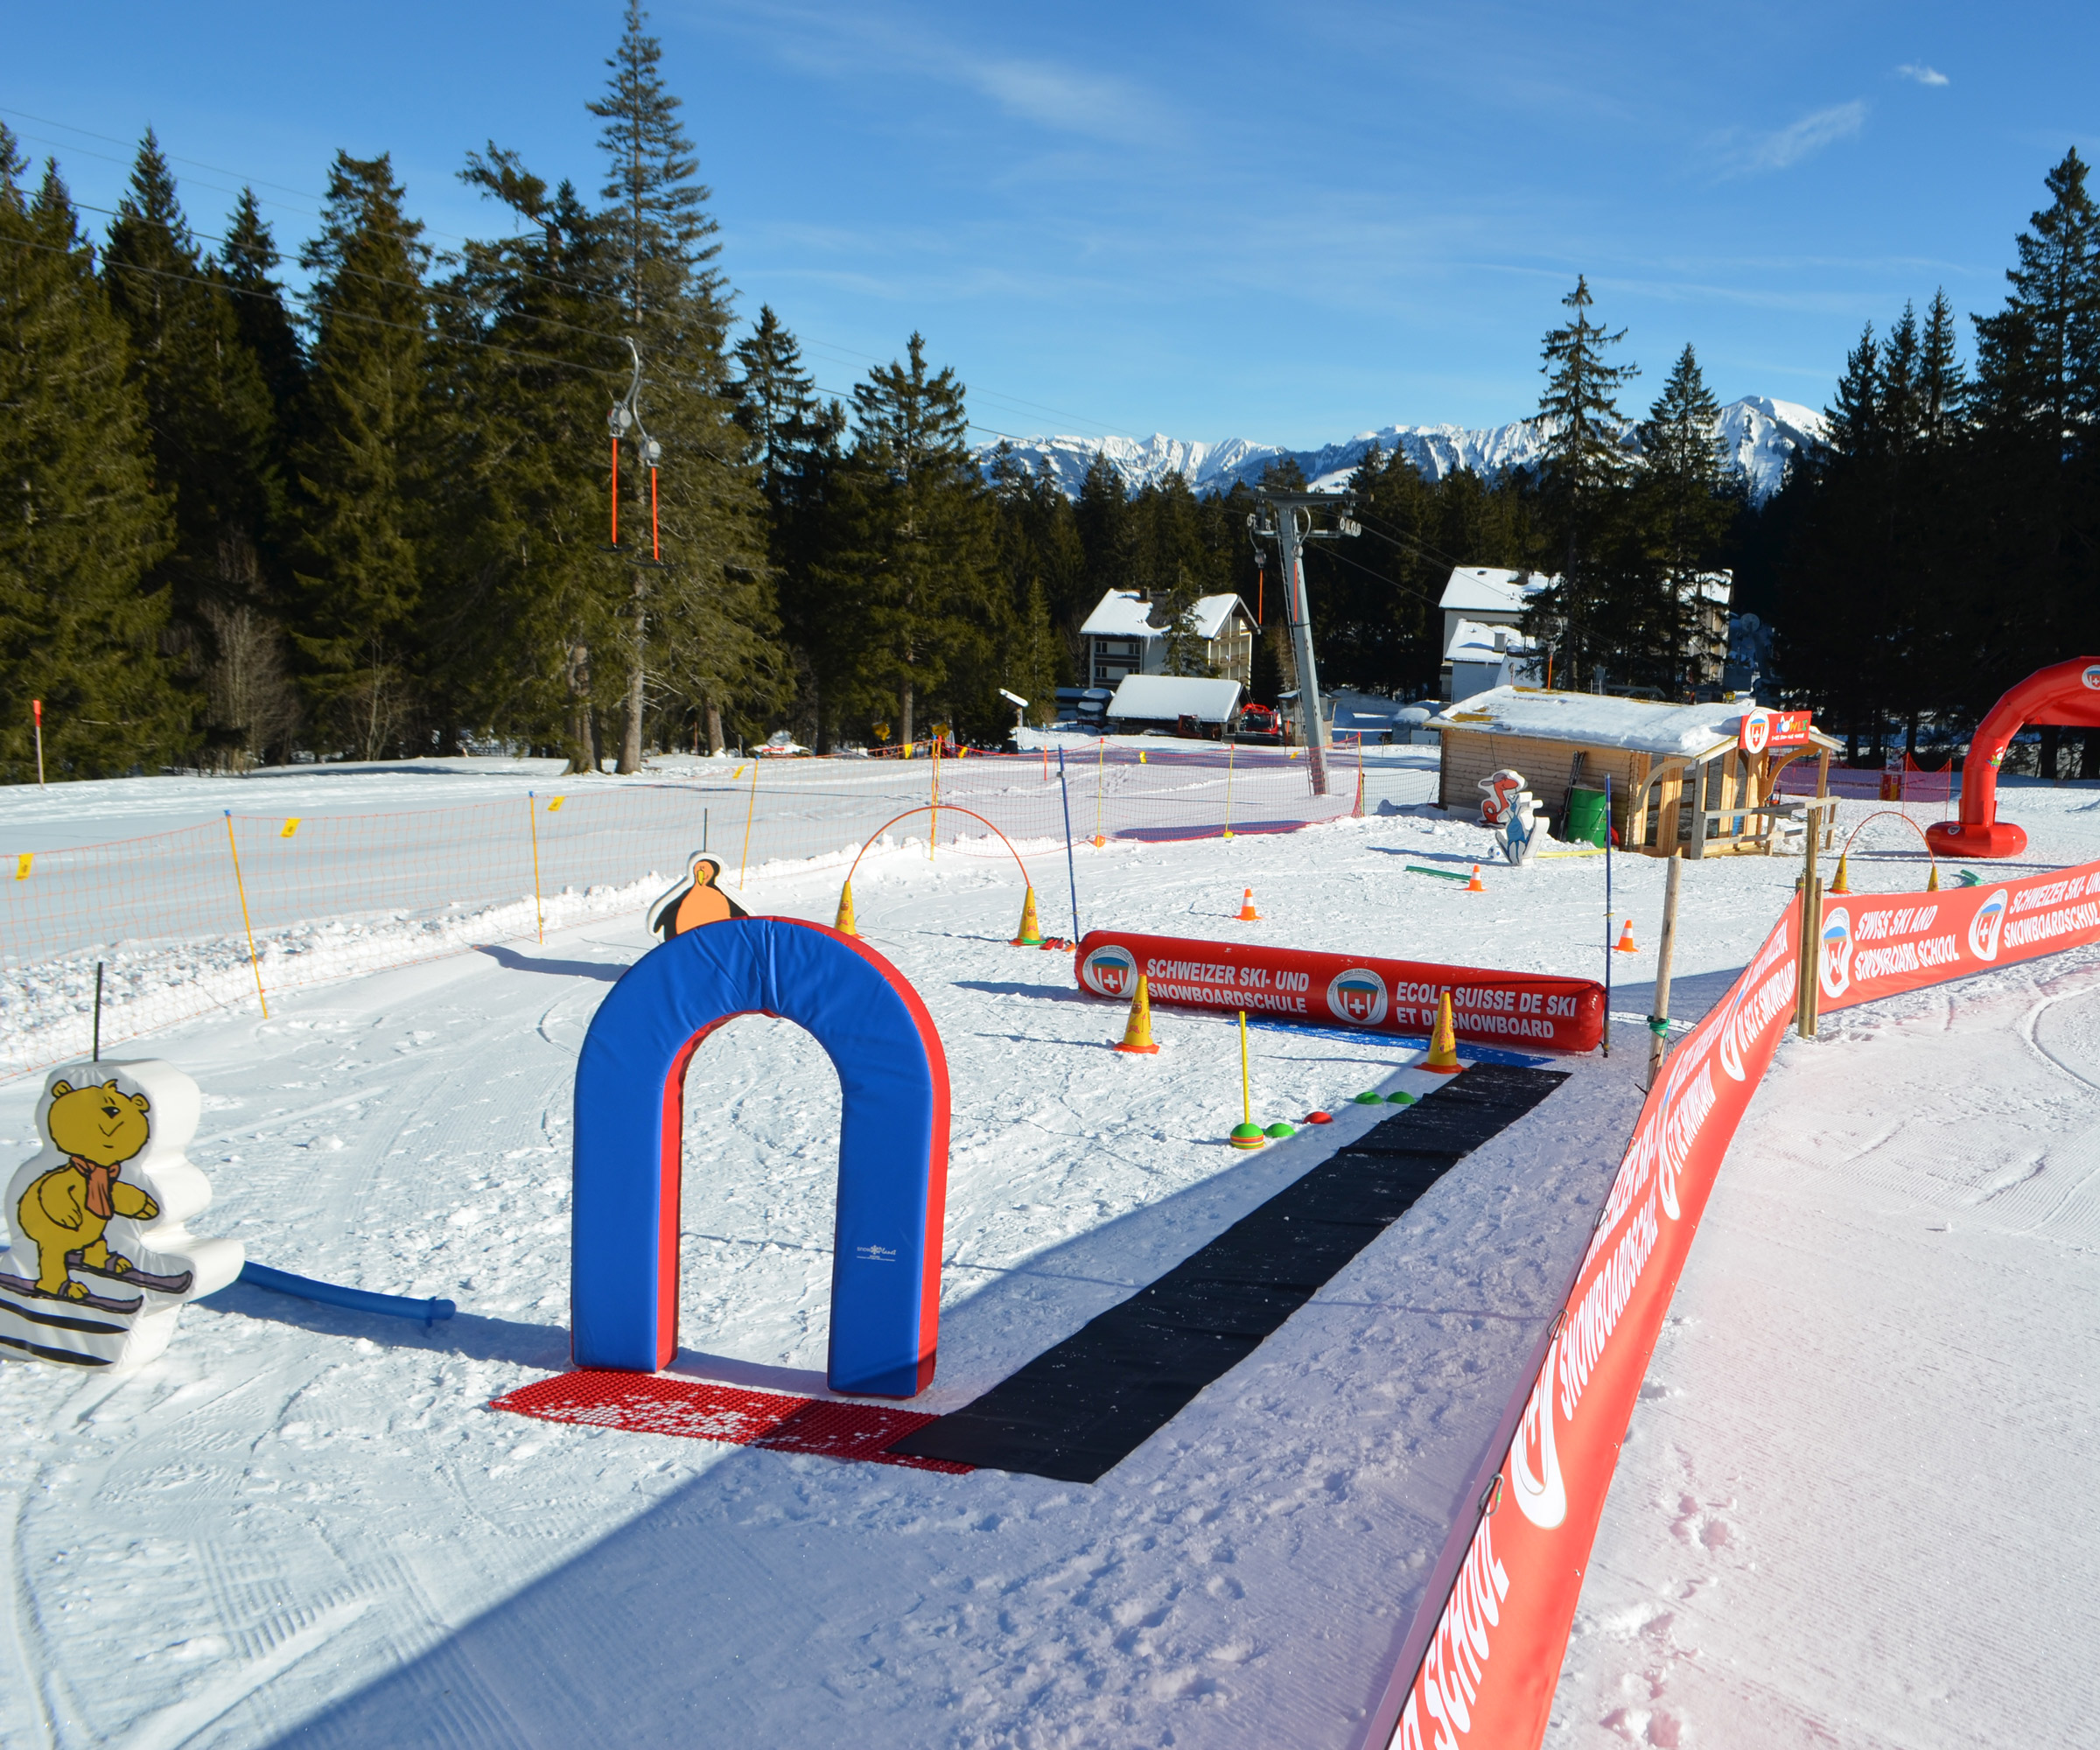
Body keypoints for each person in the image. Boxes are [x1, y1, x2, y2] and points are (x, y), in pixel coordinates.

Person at [648, 854, 749, 941]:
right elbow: (671, 908)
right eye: (699, 867)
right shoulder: (687, 894)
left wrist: (748, 922)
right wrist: (659, 923)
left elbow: (739, 913)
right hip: (685, 940)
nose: (702, 870)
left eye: (705, 868)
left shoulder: (720, 896)